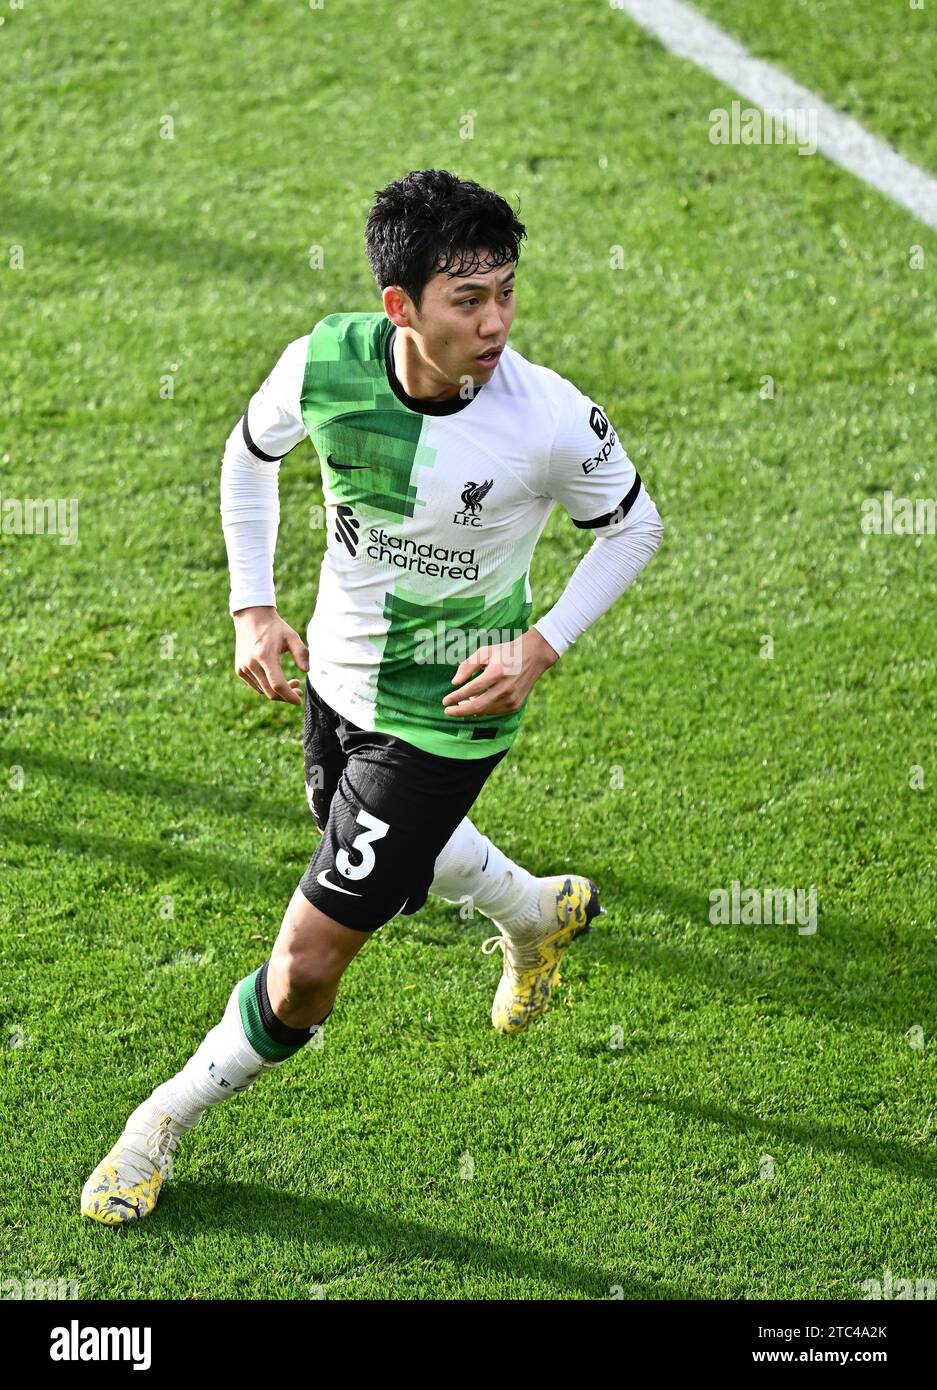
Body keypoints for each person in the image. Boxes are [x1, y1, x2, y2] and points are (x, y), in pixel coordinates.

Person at [81, 169, 664, 1225]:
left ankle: (155, 1121)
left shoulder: (547, 418)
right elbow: (248, 455)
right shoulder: (325, 366)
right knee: (383, 848)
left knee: (305, 966)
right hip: (339, 682)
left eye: (506, 292)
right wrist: (250, 605)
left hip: (451, 710)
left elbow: (635, 526)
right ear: (401, 306)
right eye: (467, 299)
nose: (494, 322)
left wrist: (540, 644)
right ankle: (534, 913)